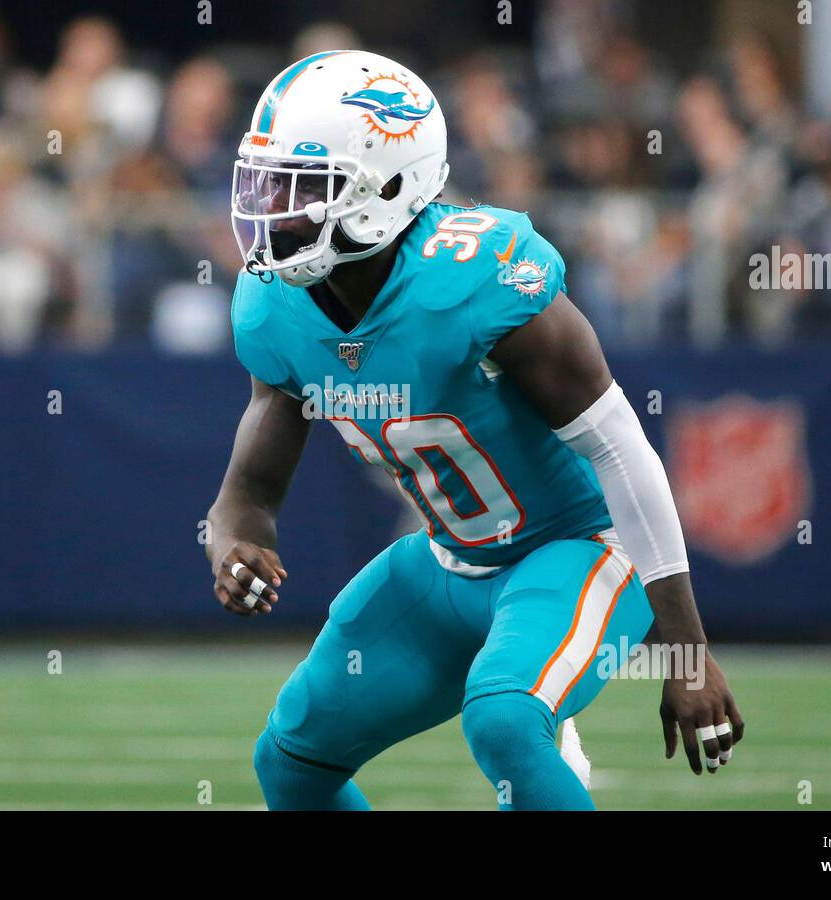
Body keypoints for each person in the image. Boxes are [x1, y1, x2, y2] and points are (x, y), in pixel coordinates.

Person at [206, 51, 743, 810]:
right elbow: (247, 495)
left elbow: (621, 448)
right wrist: (233, 546)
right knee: (290, 760)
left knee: (504, 719)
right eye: (265, 183)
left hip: (580, 551)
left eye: (300, 187)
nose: (272, 210)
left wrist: (685, 648)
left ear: (385, 187)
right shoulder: (275, 308)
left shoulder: (472, 276)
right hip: (451, 563)